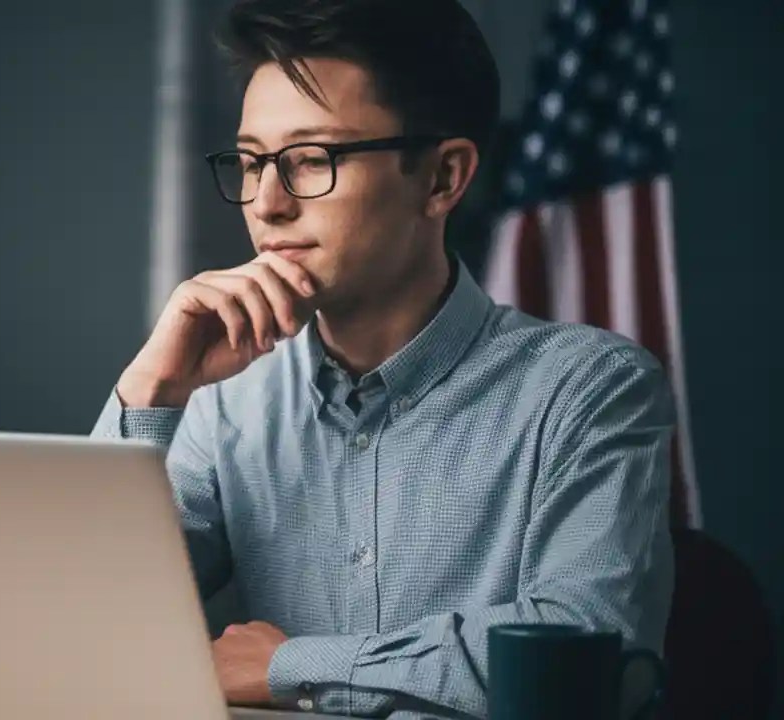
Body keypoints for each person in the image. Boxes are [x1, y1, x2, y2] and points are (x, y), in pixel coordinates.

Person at [91, 0, 674, 716]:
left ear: (441, 178)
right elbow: (90, 622)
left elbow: (586, 651)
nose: (266, 203)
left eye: (310, 159)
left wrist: (290, 666)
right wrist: (148, 393)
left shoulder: (590, 391)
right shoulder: (222, 402)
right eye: (249, 162)